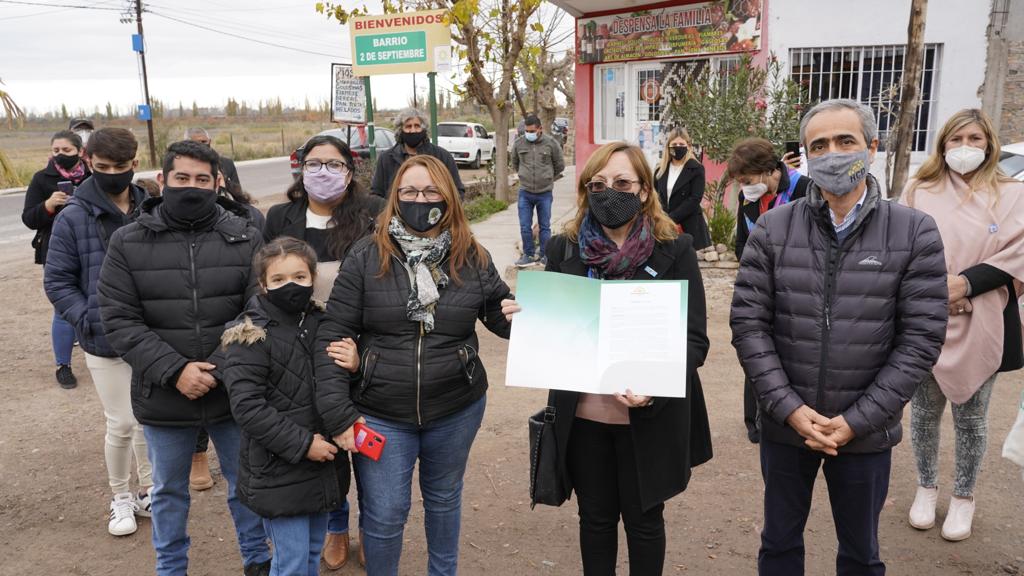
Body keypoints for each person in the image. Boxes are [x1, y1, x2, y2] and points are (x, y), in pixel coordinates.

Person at [730, 99, 948, 576]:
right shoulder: (772, 228)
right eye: (819, 145)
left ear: (872, 147)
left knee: (861, 554)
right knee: (779, 546)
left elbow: (921, 338)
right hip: (788, 427)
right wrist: (788, 408)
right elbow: (748, 325)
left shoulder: (914, 233)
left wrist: (858, 419)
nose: (832, 153)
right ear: (805, 156)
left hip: (866, 431)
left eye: (845, 141)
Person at [316, 154, 512, 575]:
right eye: (408, 192)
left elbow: (496, 314)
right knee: (385, 514)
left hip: (455, 407)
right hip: (380, 411)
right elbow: (334, 333)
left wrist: (521, 316)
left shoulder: (472, 256)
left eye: (430, 192)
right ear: (394, 197)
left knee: (444, 499)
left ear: (448, 198)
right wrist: (338, 414)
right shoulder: (367, 256)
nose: (419, 200)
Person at [97, 140, 271, 576]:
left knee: (245, 484)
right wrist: (175, 370)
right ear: (163, 180)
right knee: (169, 492)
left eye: (201, 179)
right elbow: (120, 320)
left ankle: (258, 560)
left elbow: (260, 307)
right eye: (181, 178)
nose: (191, 187)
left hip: (234, 389)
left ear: (218, 182)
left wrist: (218, 364)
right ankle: (171, 568)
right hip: (164, 392)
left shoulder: (245, 236)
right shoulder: (128, 241)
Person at [537, 141, 712, 575]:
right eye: (597, 184)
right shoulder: (563, 249)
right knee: (594, 521)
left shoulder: (675, 250)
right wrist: (531, 319)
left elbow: (695, 339)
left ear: (644, 191)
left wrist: (654, 383)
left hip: (650, 417)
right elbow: (554, 334)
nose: (608, 192)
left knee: (645, 520)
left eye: (621, 183)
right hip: (584, 418)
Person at [899, 108, 1024, 542]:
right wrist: (935, 292)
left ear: (988, 143)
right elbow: (902, 248)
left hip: (985, 318)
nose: (965, 148)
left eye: (974, 138)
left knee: (972, 418)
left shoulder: (1011, 193)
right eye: (956, 139)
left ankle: (964, 497)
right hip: (925, 318)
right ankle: (926, 487)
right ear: (942, 145)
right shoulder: (920, 189)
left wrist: (966, 285)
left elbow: (1016, 254)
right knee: (924, 413)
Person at [264, 133, 384, 569]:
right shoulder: (281, 215)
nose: (323, 172)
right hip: (301, 348)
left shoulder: (371, 212)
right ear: (301, 169)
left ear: (349, 172)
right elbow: (266, 277)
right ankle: (336, 526)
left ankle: (373, 530)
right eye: (315, 164)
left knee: (368, 445)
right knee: (325, 447)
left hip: (359, 343)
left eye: (334, 165)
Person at [43, 128, 153, 536]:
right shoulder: (73, 216)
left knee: (146, 420)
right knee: (121, 422)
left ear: (134, 165)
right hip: (103, 339)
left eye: (119, 167)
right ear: (88, 162)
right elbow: (57, 282)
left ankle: (149, 489)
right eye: (102, 167)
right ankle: (120, 496)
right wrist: (87, 317)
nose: (110, 174)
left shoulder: (151, 210)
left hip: (150, 335)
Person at [222, 237, 350, 576]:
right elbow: (248, 407)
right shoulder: (248, 335)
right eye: (278, 280)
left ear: (312, 278)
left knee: (309, 553)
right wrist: (303, 444)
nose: (290, 286)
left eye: (299, 277)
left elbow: (336, 385)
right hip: (278, 468)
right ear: (263, 284)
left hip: (322, 464)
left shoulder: (322, 324)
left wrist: (354, 364)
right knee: (291, 561)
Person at [727, 137, 810, 444]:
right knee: (756, 352)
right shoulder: (748, 199)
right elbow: (740, 245)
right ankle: (755, 419)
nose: (745, 187)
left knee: (790, 355)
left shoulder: (804, 190)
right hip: (759, 288)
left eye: (748, 180)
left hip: (795, 292)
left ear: (768, 171)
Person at [23, 129, 92, 389]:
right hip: (56, 250)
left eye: (66, 150)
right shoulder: (42, 179)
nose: (60, 155)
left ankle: (102, 356)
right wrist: (48, 206)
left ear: (80, 152)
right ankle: (63, 366)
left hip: (91, 246)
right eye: (56, 151)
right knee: (63, 309)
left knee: (96, 302)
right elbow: (29, 219)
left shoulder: (92, 177)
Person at [370, 108, 465, 200]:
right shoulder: (386, 159)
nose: (413, 130)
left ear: (424, 129)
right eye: (408, 126)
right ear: (400, 130)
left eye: (417, 126)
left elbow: (457, 191)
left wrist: (440, 212)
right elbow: (376, 194)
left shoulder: (442, 157)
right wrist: (391, 212)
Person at [511, 114, 565, 267]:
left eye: (532, 131)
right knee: (524, 226)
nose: (529, 134)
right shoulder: (519, 143)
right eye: (527, 131)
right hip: (525, 192)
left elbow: (559, 165)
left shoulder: (551, 143)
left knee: (545, 226)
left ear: (540, 129)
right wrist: (524, 175)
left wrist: (547, 177)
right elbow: (515, 162)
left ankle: (545, 255)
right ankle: (528, 254)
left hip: (544, 193)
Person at [654, 127, 711, 250]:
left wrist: (671, 218)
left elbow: (695, 199)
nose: (678, 147)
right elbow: (654, 196)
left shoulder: (696, 168)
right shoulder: (660, 170)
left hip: (690, 226)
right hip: (663, 227)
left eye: (681, 144)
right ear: (668, 147)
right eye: (674, 144)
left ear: (688, 146)